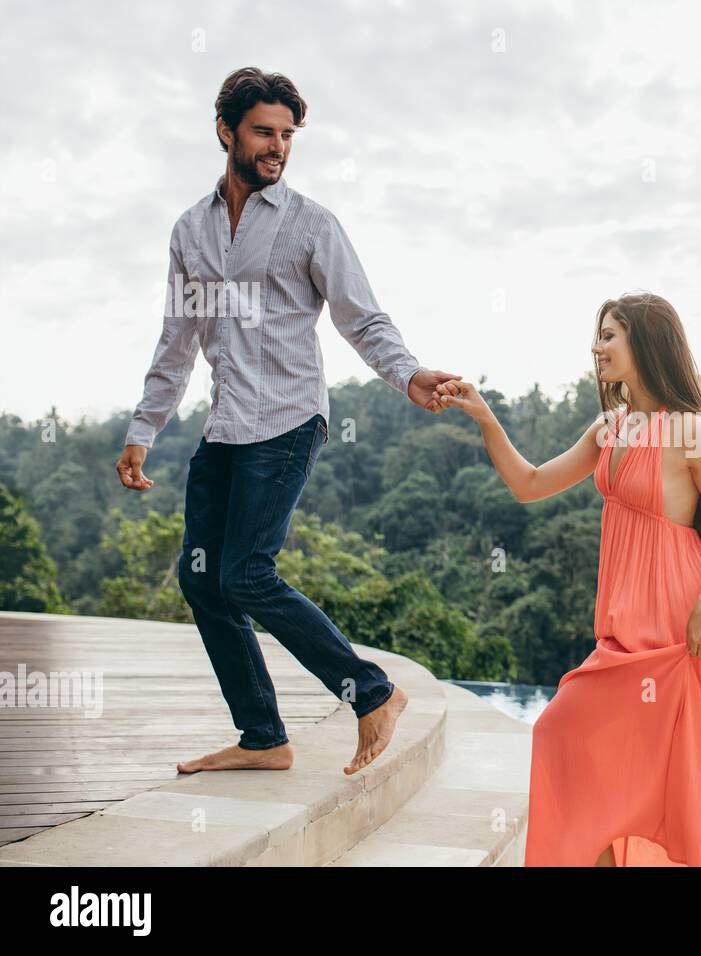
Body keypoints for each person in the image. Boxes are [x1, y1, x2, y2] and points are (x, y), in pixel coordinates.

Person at [114, 66, 461, 776]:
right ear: (226, 132)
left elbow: (359, 317)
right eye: (263, 132)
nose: (277, 146)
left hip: (289, 418)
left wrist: (408, 373)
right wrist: (143, 428)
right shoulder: (190, 230)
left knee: (245, 573)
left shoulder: (310, 224)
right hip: (226, 425)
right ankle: (263, 737)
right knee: (201, 578)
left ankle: (371, 692)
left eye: (287, 135)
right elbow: (178, 337)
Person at [436, 292, 701, 866]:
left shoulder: (692, 434)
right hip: (621, 640)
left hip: (679, 636)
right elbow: (531, 483)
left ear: (646, 343)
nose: (597, 347)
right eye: (599, 336)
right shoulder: (608, 430)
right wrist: (486, 417)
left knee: (682, 802)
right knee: (563, 736)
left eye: (610, 335)